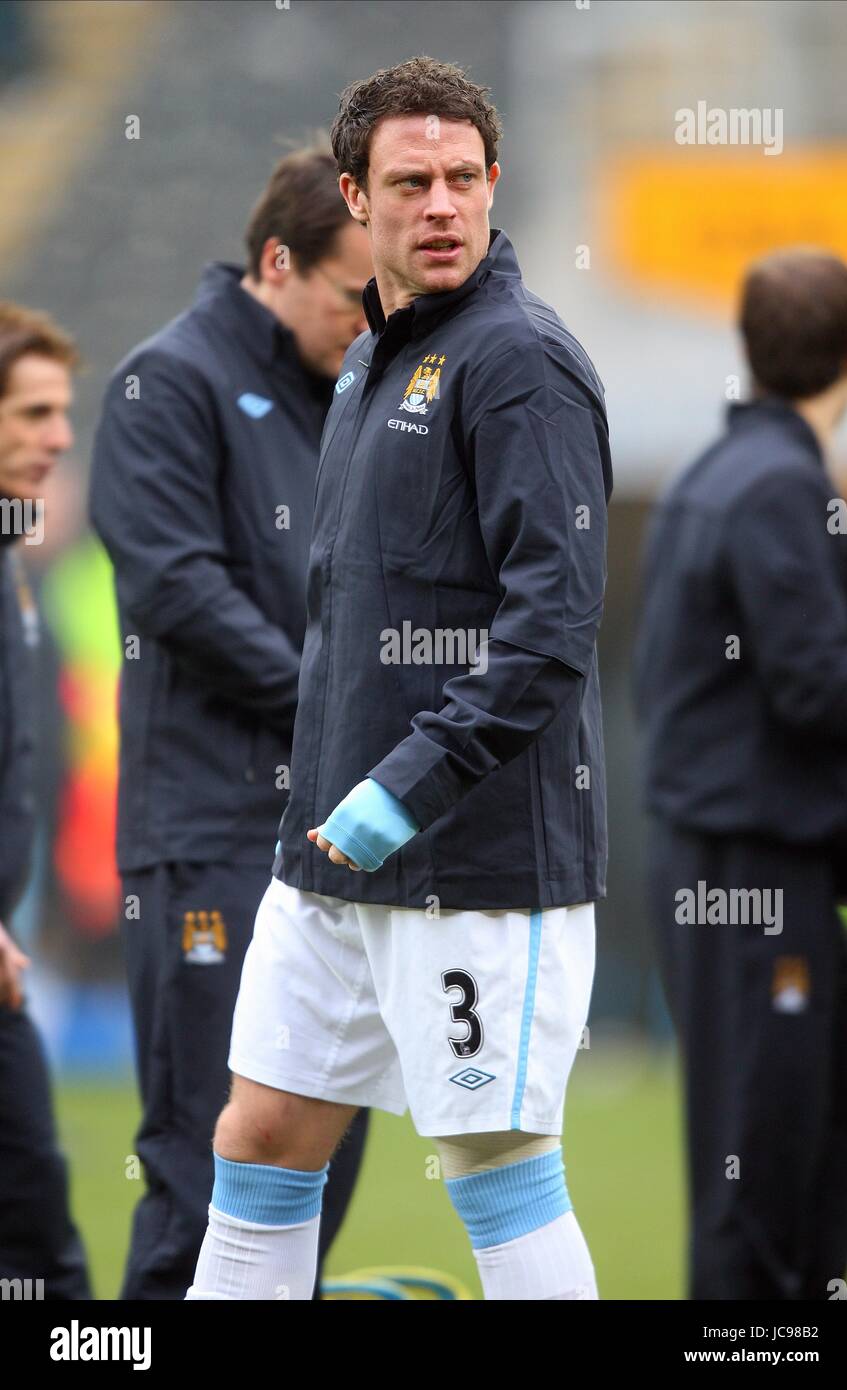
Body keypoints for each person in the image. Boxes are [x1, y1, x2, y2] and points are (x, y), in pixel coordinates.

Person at [186, 56, 612, 1304]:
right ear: (353, 197)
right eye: (410, 181)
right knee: (258, 1133)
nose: (440, 205)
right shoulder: (375, 357)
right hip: (327, 857)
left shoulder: (520, 360)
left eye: (462, 179)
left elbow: (551, 625)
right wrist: (331, 809)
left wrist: (403, 790)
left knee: (492, 1162)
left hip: (469, 864)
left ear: (495, 184)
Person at [89, 145, 373, 1301]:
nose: (374, 318)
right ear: (277, 262)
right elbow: (175, 589)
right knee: (208, 1160)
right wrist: (340, 708)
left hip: (322, 838)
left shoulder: (353, 398)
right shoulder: (168, 382)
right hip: (205, 833)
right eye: (356, 290)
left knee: (318, 1154)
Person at [635, 249, 847, 1300]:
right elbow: (816, 688)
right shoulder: (778, 485)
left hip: (736, 865)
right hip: (753, 875)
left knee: (803, 1155)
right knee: (765, 1176)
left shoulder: (708, 472)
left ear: (745, 347)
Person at [0, 301, 91, 1299]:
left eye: (60, 414)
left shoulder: (19, 565)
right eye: (30, 414)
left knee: (38, 1237)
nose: (58, 437)